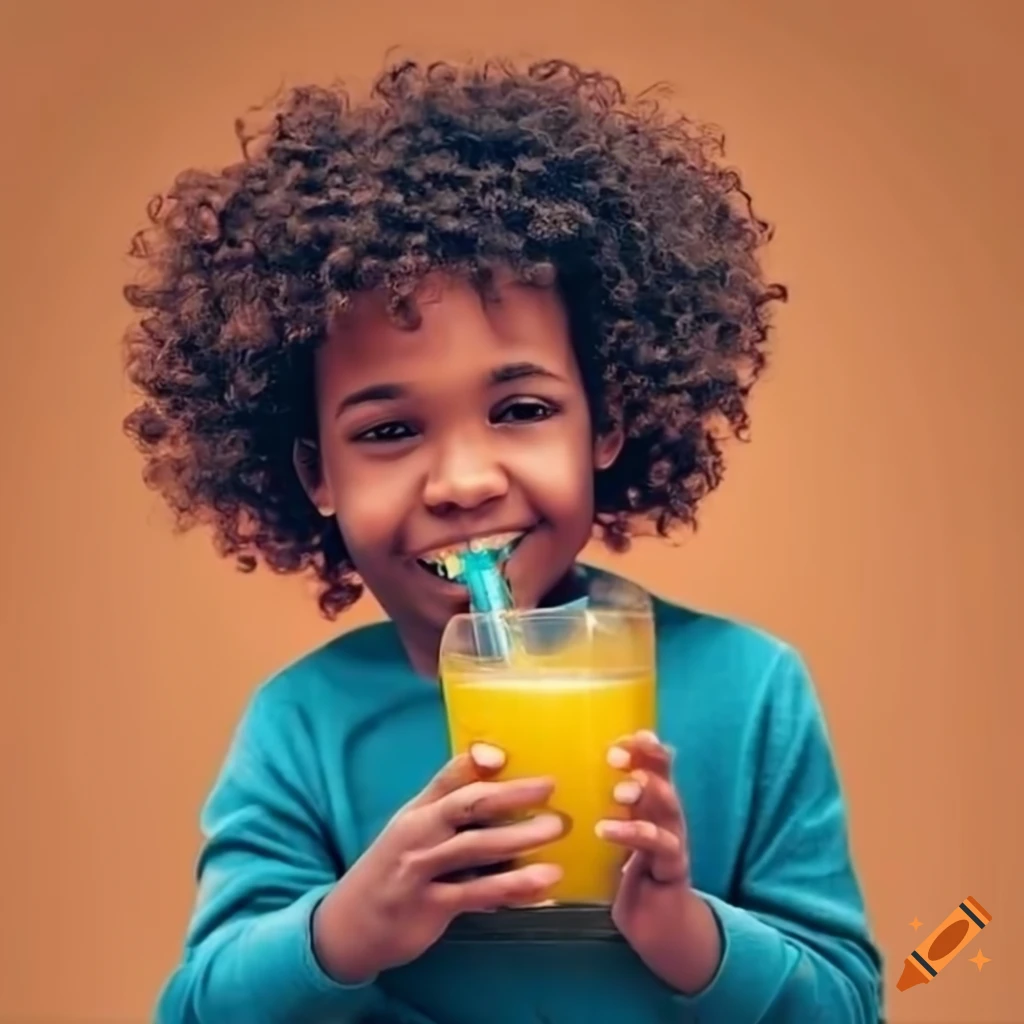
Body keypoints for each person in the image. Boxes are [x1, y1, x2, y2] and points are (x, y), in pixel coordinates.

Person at [121, 57, 883, 1023]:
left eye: (520, 408)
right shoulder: (302, 726)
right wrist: (348, 927)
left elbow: (850, 1006)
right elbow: (195, 1011)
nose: (466, 481)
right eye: (389, 431)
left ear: (606, 421)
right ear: (316, 474)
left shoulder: (753, 691)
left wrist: (689, 933)